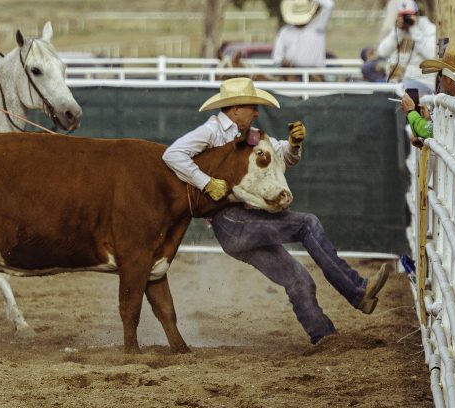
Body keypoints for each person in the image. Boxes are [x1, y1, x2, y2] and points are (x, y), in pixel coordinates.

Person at [161, 77, 390, 347]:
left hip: (239, 227)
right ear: (234, 110)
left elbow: (279, 155)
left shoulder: (251, 134)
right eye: (252, 106)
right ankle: (358, 291)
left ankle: (325, 338)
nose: (257, 112)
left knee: (299, 280)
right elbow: (173, 154)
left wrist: (293, 144)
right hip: (232, 220)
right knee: (307, 224)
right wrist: (206, 182)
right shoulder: (211, 132)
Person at [373, 0, 436, 92]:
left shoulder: (428, 29)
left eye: (409, 15)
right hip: (398, 80)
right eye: (402, 16)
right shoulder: (399, 31)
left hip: (422, 82)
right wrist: (397, 33)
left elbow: (432, 55)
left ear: (417, 14)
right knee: (377, 89)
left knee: (405, 90)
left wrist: (414, 30)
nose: (406, 19)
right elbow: (382, 52)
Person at [361, 0, 413, 82]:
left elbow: (389, 30)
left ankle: (385, 87)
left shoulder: (399, 3)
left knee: (367, 68)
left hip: (396, 51)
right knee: (364, 52)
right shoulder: (396, 3)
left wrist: (377, 52)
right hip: (391, 48)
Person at [272, 0, 333, 69]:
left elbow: (329, 5)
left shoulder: (318, 25)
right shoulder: (285, 31)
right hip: (292, 72)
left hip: (316, 72)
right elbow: (277, 56)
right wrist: (282, 61)